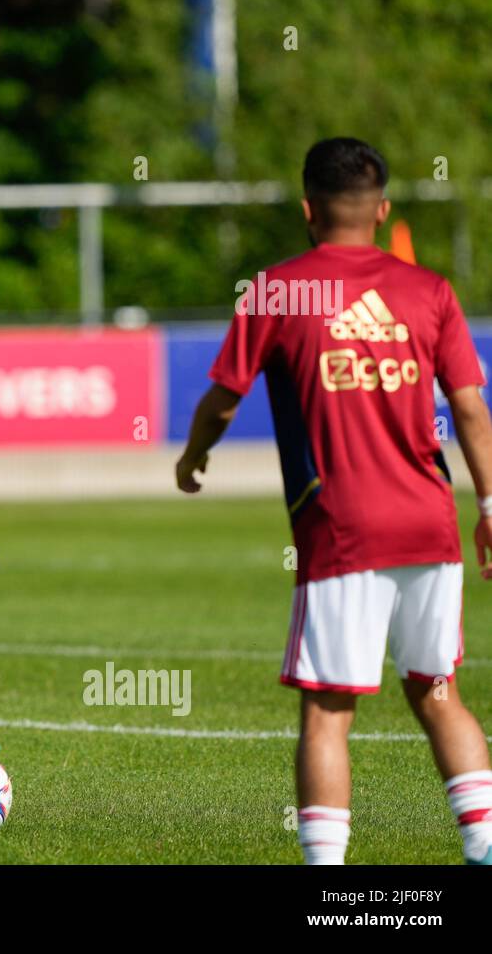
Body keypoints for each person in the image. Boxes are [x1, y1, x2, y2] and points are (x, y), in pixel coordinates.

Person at [175, 137, 492, 865]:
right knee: (438, 691)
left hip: (343, 529)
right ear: (381, 210)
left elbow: (224, 400)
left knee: (326, 710)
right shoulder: (430, 290)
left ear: (307, 208)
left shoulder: (279, 290)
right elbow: (471, 412)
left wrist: (194, 456)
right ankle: (483, 844)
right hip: (431, 523)